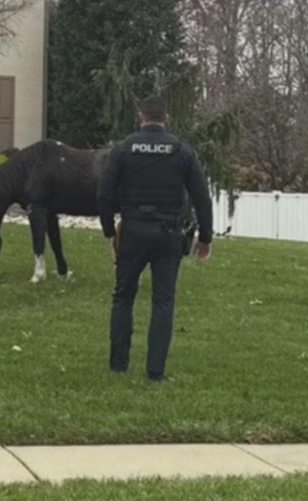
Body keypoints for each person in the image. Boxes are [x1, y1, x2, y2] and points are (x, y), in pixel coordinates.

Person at [97, 96, 213, 382]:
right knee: (163, 300)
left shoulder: (122, 150)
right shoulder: (182, 151)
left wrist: (110, 232)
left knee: (123, 297)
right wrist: (205, 238)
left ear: (140, 117)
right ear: (166, 118)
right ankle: (155, 371)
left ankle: (118, 364)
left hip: (133, 231)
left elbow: (104, 195)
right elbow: (202, 199)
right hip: (168, 233)